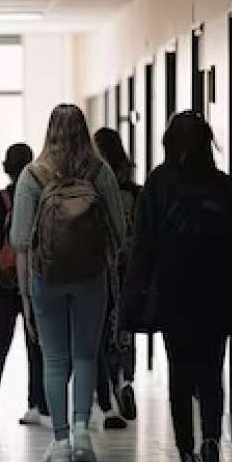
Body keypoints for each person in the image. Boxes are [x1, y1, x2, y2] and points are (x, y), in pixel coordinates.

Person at [121, 110, 232, 462]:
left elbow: (144, 245)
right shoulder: (222, 185)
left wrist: (136, 295)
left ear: (169, 143)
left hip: (173, 293)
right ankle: (211, 442)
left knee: (180, 373)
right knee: (211, 372)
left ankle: (186, 453)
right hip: (215, 293)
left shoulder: (157, 184)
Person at [10, 104, 126, 462]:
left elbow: (20, 240)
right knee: (85, 354)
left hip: (47, 277)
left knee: (55, 358)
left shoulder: (33, 174)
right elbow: (120, 232)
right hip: (91, 276)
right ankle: (82, 433)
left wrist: (26, 293)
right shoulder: (99, 170)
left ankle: (59, 442)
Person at [0, 143, 48, 426]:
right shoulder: (41, 197)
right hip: (34, 279)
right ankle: (36, 402)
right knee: (36, 344)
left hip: (4, 281)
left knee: (1, 342)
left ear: (5, 167)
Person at [91, 128, 142, 430]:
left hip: (100, 267)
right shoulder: (134, 191)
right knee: (125, 330)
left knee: (99, 333)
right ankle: (126, 378)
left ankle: (107, 397)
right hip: (130, 269)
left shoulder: (93, 184)